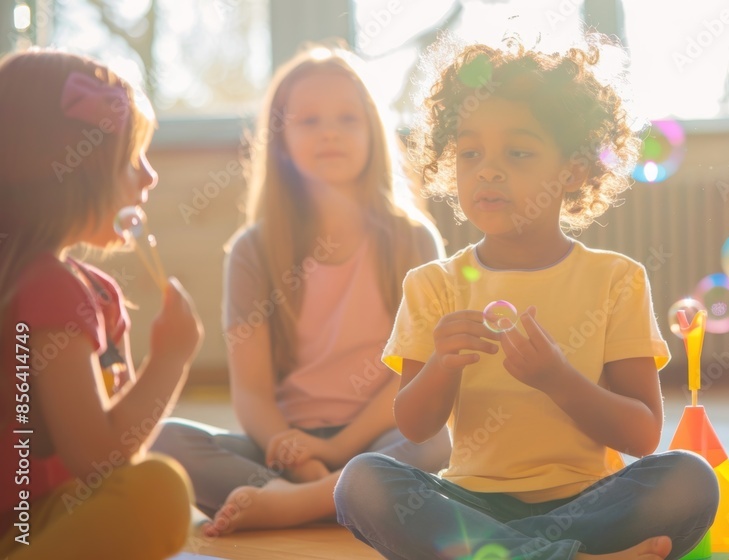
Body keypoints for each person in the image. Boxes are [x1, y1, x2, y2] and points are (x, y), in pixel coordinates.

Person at [334, 34, 720, 560]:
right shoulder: (433, 284)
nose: (488, 170)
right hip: (472, 504)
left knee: (689, 478)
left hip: (587, 503)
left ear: (573, 173)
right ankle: (558, 557)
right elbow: (415, 425)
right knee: (362, 482)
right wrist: (442, 367)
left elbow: (643, 434)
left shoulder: (616, 279)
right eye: (470, 153)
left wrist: (557, 379)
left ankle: (513, 554)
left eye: (517, 152)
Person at [151, 45, 450, 535]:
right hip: (285, 450)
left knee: (438, 439)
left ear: (373, 131)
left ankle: (297, 504)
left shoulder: (414, 239)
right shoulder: (252, 250)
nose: (329, 131)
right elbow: (250, 391)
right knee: (166, 442)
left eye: (347, 118)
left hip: (382, 437)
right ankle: (341, 497)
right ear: (280, 137)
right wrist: (297, 455)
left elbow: (414, 381)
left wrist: (337, 450)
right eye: (308, 120)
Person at [0, 50, 203, 559]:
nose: (150, 178)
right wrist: (172, 358)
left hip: (33, 514)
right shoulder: (50, 286)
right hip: (17, 526)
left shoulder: (82, 288)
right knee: (159, 490)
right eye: (133, 159)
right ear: (76, 167)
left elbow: (114, 450)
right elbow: (100, 457)